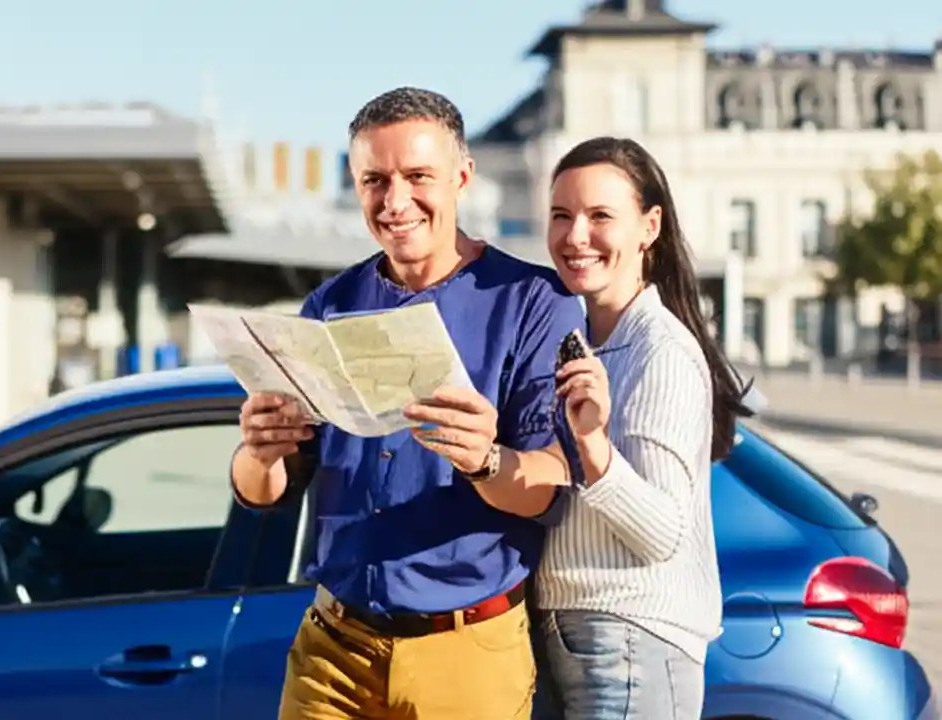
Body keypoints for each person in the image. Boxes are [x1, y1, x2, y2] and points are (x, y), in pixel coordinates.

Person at [229, 86, 586, 720]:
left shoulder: (533, 302)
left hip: (466, 653)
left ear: (462, 177)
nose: (395, 202)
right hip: (333, 649)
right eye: (374, 180)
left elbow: (547, 490)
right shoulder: (328, 306)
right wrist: (258, 451)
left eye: (418, 176)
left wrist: (483, 460)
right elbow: (268, 491)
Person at [528, 136, 753, 719]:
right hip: (573, 634)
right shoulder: (580, 342)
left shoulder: (662, 352)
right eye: (561, 215)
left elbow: (660, 533)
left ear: (648, 227)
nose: (576, 236)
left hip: (630, 640)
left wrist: (594, 446)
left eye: (601, 216)